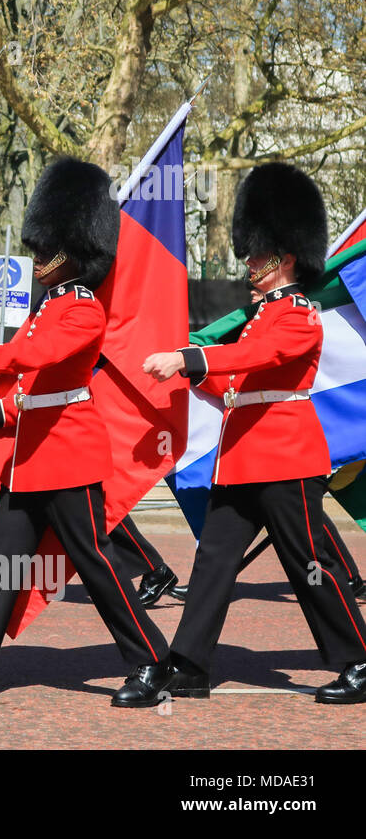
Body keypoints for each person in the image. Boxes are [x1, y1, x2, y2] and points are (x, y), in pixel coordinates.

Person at [0, 157, 172, 708]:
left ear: (76, 250)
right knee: (2, 565)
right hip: (32, 456)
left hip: (69, 455)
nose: (38, 256)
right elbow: (33, 384)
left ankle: (152, 661)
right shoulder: (50, 305)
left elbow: (30, 356)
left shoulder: (83, 310)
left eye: (48, 247)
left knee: (95, 561)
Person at [143, 162, 366, 703]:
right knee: (214, 562)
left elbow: (256, 357)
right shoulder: (259, 315)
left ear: (285, 256)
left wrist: (191, 357)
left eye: (257, 254)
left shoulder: (297, 314)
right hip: (242, 457)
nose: (248, 262)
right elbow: (236, 386)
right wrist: (197, 379)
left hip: (287, 458)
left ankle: (358, 660)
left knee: (311, 565)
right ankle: (190, 664)